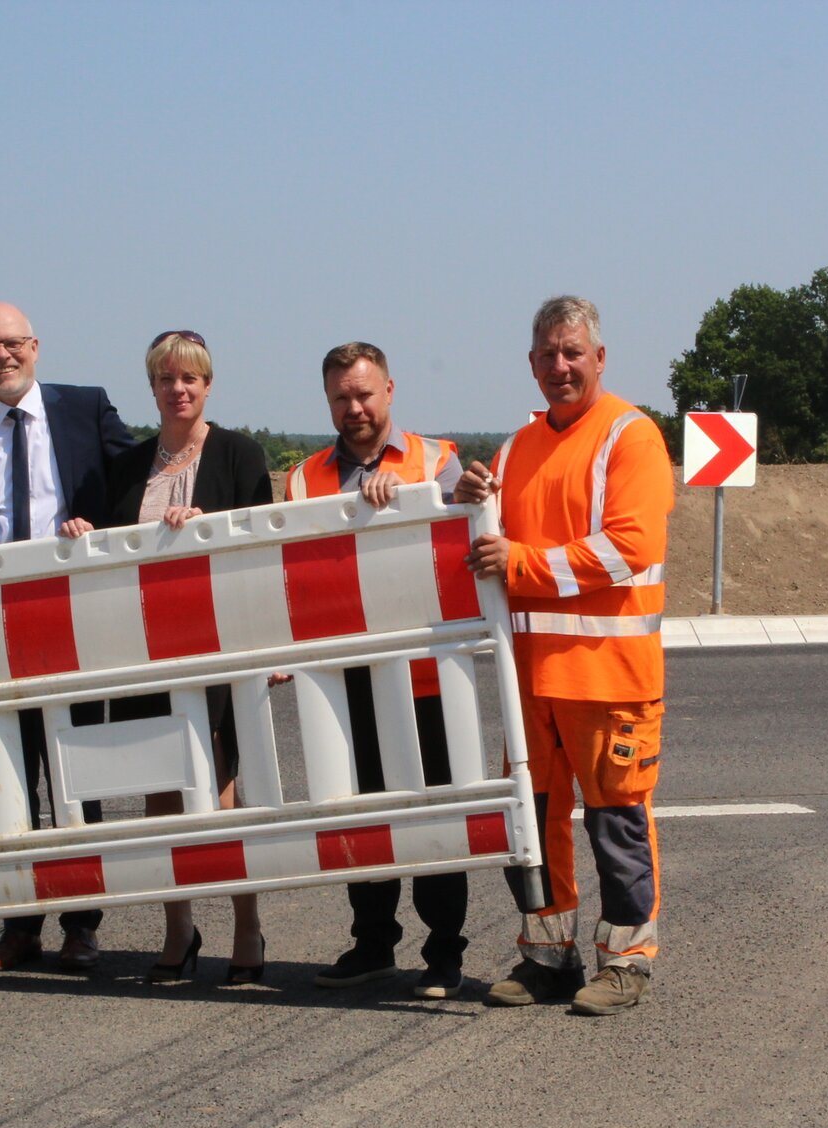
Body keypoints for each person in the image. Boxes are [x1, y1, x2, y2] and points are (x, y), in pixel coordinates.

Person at [456, 296, 675, 1015]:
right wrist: (469, 499)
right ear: (531, 364)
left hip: (609, 675)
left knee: (617, 824)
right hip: (532, 681)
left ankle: (626, 962)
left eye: (572, 352)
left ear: (599, 358)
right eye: (548, 354)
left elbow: (629, 547)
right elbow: (487, 543)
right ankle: (548, 957)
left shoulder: (630, 436)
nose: (560, 366)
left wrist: (520, 561)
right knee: (534, 823)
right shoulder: (514, 450)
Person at [0, 302, 137, 974]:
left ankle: (81, 924)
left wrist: (100, 531)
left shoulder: (86, 408)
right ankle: (20, 926)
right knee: (7, 785)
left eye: (12, 343)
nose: (3, 356)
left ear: (35, 346)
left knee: (76, 782)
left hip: (73, 623)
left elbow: (135, 486)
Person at [288, 343, 470, 1001]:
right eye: (341, 397)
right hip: (344, 683)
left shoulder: (435, 460)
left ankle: (444, 954)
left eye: (364, 394)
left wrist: (407, 503)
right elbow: (293, 574)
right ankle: (372, 944)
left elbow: (463, 541)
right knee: (359, 813)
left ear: (389, 390)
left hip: (424, 676)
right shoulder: (302, 478)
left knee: (435, 816)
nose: (355, 408)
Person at [107, 330, 274, 986]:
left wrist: (210, 530)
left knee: (222, 796)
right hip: (145, 649)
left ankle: (246, 926)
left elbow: (261, 547)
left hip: (218, 644)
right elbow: (104, 540)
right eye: (166, 379)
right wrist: (79, 529)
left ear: (208, 385)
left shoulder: (238, 453)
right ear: (151, 386)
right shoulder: (126, 464)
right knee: (161, 795)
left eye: (190, 379)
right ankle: (178, 928)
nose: (178, 389)